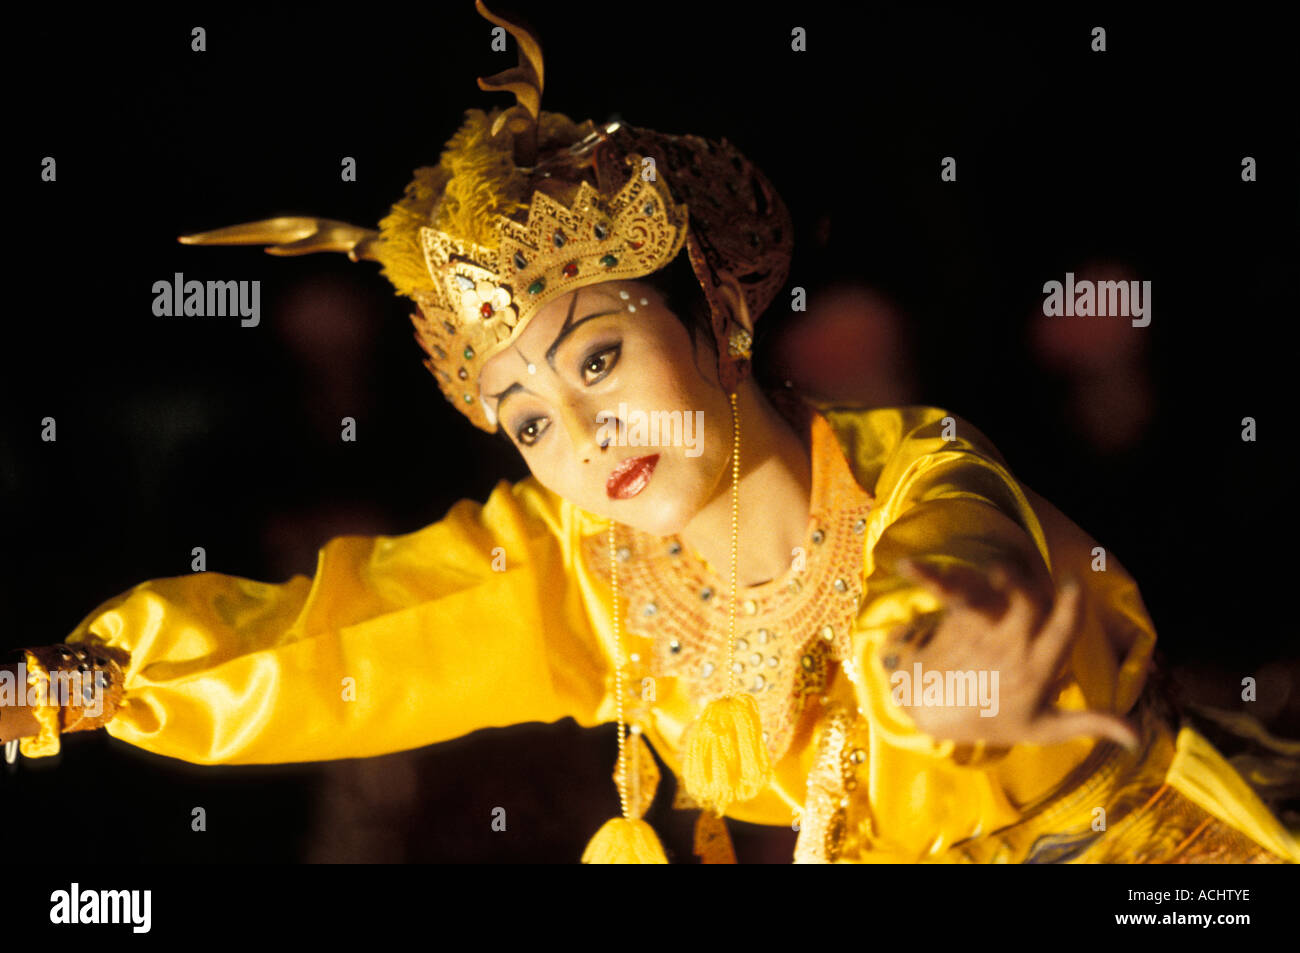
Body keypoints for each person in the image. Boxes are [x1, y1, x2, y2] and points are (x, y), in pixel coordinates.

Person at [2, 1, 1295, 864]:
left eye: (602, 358)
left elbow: (954, 580)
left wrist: (943, 671)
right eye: (529, 419)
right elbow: (353, 641)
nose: (583, 437)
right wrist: (104, 676)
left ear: (719, 309)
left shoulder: (919, 486)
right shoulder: (594, 561)